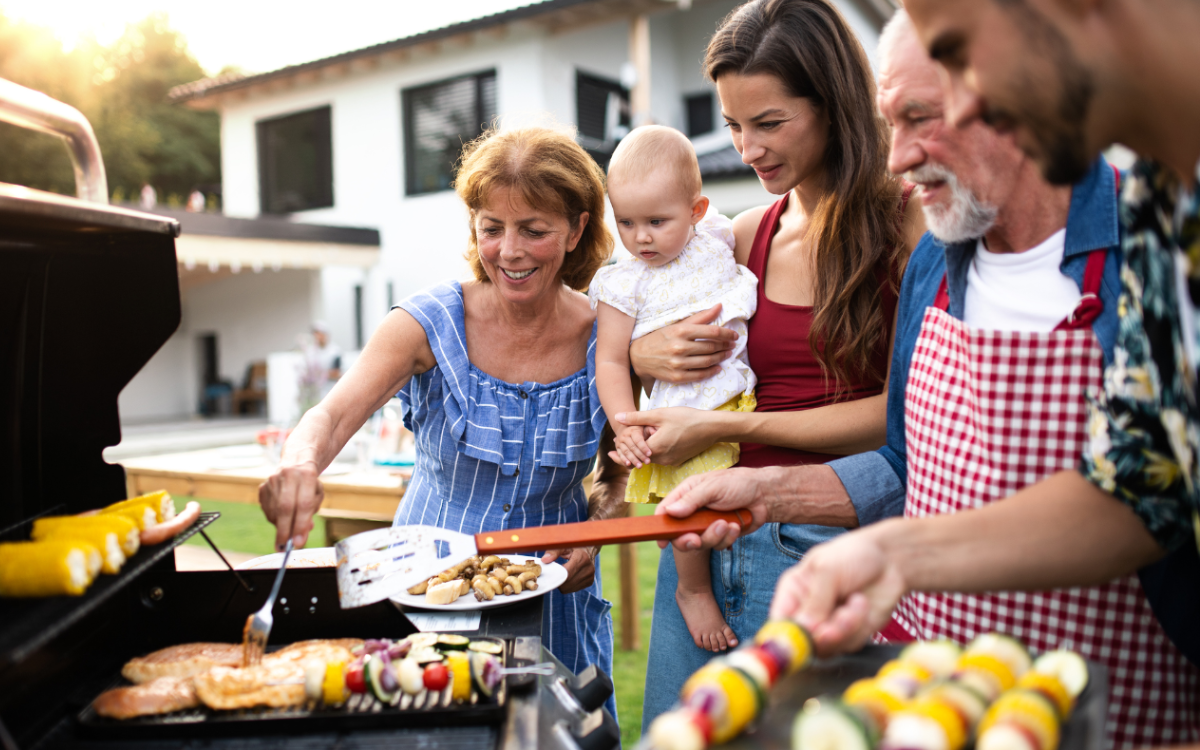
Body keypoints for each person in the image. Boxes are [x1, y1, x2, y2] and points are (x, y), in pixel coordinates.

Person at [655, 12, 1199, 744]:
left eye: (922, 117)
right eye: (891, 121)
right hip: (938, 698)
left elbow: (1143, 503)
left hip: (1120, 706)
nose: (897, 158)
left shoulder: (1148, 240)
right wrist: (770, 490)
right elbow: (906, 465)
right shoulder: (933, 270)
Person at [256, 126, 625, 717]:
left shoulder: (607, 337)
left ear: (577, 229)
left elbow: (619, 473)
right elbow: (328, 415)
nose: (510, 251)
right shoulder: (429, 322)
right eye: (492, 228)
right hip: (427, 592)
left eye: (534, 230)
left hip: (555, 604)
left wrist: (593, 536)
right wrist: (299, 466)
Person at [632, 0, 923, 729]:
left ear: (833, 105)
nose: (747, 148)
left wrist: (725, 428)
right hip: (701, 539)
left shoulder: (905, 222)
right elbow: (656, 330)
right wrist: (643, 351)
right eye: (732, 125)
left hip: (815, 543)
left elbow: (908, 415)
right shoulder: (742, 234)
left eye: (769, 122)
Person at [591, 125, 758, 652]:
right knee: (686, 505)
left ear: (698, 210)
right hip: (681, 408)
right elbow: (611, 362)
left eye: (657, 222)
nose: (641, 238)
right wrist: (625, 425)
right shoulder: (625, 282)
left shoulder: (720, 237)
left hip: (741, 397)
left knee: (732, 511)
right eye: (626, 222)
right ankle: (692, 589)